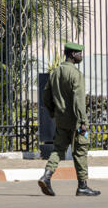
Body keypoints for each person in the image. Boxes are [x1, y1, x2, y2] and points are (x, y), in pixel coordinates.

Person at [38, 42, 101, 197]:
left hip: (60, 120)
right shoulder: (76, 74)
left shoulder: (55, 72)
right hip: (75, 121)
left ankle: (46, 176)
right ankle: (82, 186)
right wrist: (83, 122)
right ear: (73, 54)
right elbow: (79, 101)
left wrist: (53, 112)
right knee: (80, 151)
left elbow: (46, 95)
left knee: (58, 149)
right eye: (80, 53)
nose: (81, 56)